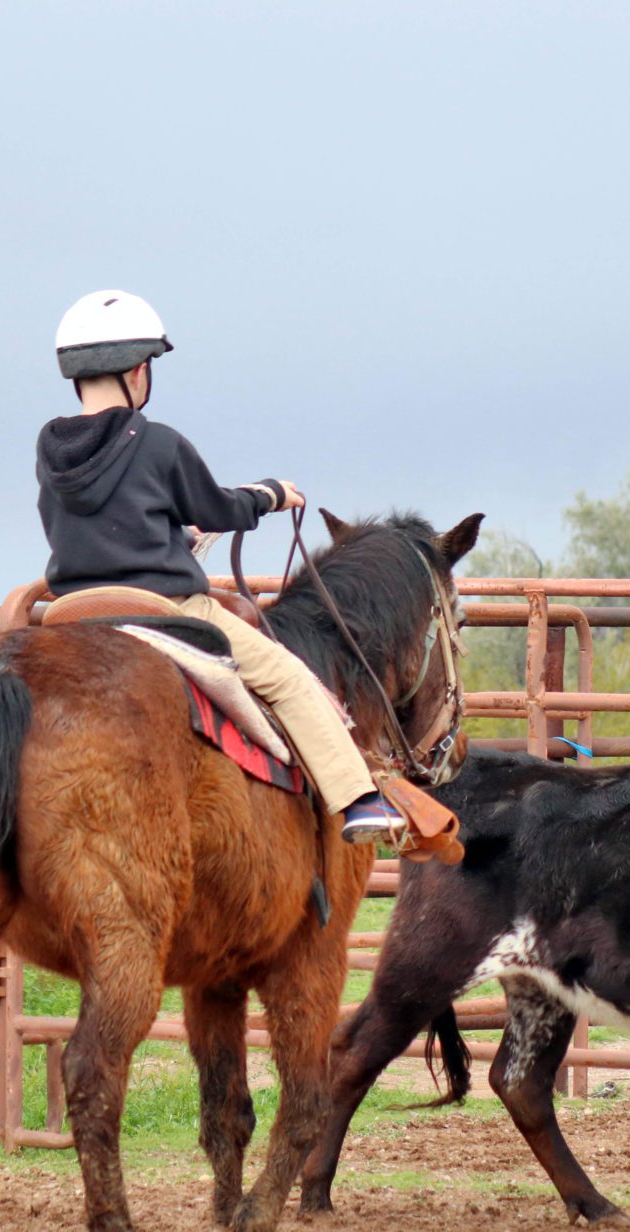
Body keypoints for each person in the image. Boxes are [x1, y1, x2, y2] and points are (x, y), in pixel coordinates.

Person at [37, 288, 406, 844]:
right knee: (287, 678)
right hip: (166, 609)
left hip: (73, 612)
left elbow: (92, 521)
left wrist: (164, 532)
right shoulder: (158, 443)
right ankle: (359, 801)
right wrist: (268, 495)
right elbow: (217, 507)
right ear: (138, 371)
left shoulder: (49, 447)